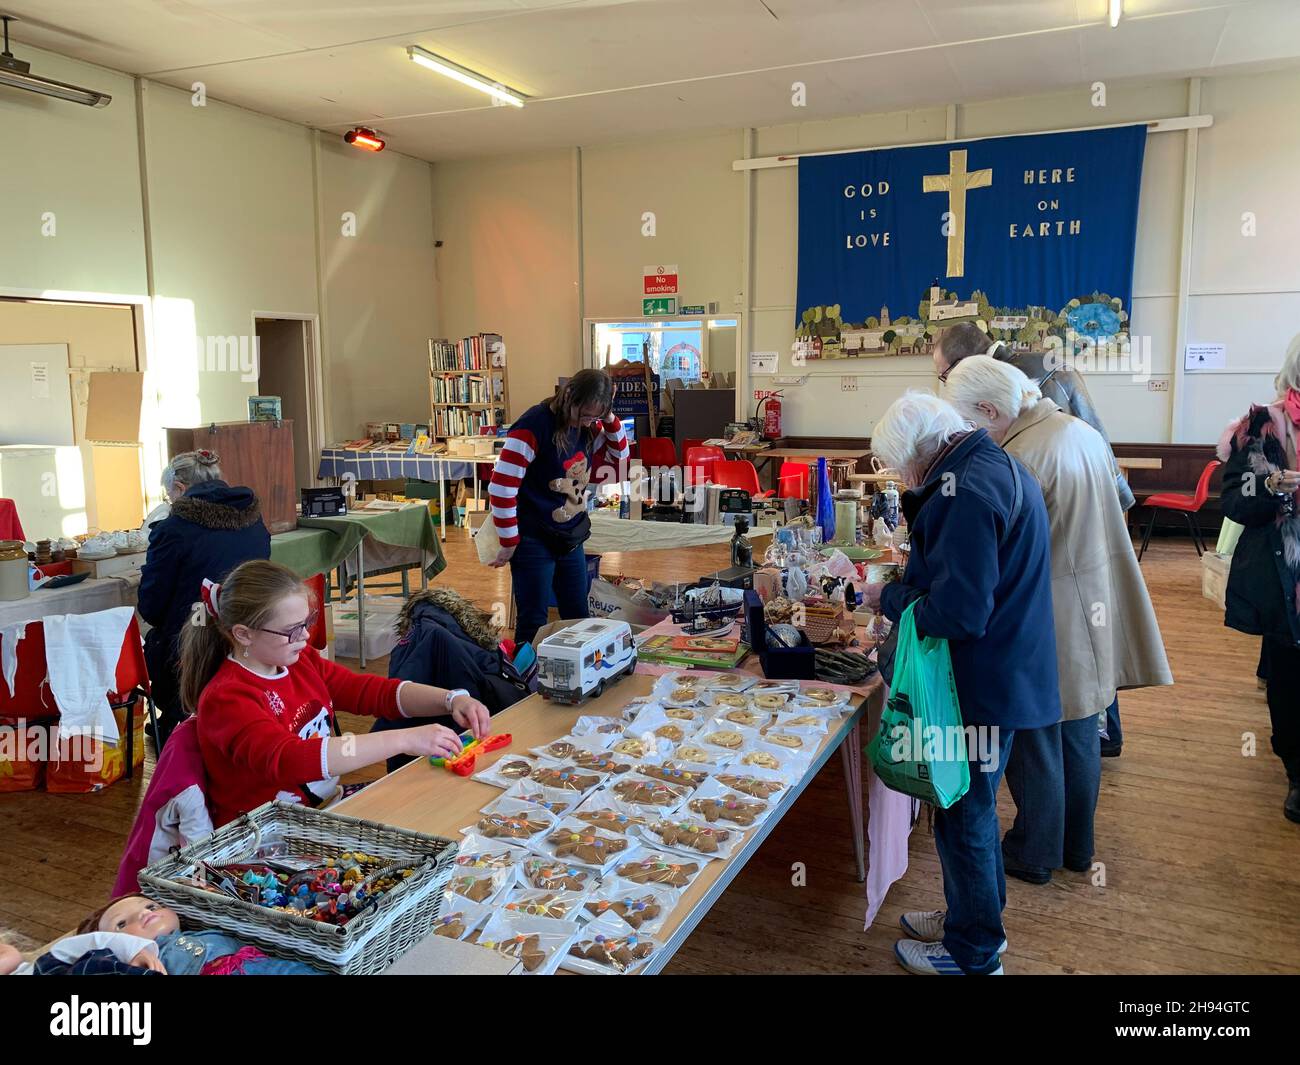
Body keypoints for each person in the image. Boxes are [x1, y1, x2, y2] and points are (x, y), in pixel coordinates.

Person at [945, 356, 1172, 881]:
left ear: (988, 407)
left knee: (1035, 741)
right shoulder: (1077, 430)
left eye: (970, 421)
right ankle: (1075, 847)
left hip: (1046, 615)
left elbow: (998, 556)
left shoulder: (1021, 454)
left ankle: (1033, 852)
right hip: (1091, 604)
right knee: (1078, 732)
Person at [862, 391, 1060, 975]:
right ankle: (971, 923)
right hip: (1005, 672)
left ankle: (973, 953)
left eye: (902, 467)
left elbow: (961, 613)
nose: (904, 478)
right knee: (966, 807)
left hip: (980, 685)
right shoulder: (988, 463)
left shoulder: (966, 489)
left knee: (964, 811)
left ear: (922, 451)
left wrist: (889, 596)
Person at [932, 322, 1132, 755]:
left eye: (945, 376)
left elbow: (1002, 538)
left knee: (1048, 737)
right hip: (1088, 565)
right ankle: (1083, 799)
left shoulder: (1022, 446)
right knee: (1081, 714)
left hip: (1053, 591)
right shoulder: (1063, 408)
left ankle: (1047, 823)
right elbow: (1111, 472)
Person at [179, 559, 491, 829]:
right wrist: (405, 739)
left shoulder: (299, 660)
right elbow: (289, 759)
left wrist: (451, 699)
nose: (304, 636)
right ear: (243, 634)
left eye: (307, 623)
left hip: (319, 812)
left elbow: (368, 691)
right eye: (291, 629)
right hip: (263, 838)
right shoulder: (227, 698)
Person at [1217, 333, 1300, 823]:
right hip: (1284, 572)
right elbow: (1236, 503)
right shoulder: (1264, 425)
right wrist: (1270, 485)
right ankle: (1296, 768)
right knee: (1290, 676)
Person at [487, 369, 630, 648]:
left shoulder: (588, 424)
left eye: (595, 417)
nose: (589, 422)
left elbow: (621, 457)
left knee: (578, 618)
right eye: (585, 415)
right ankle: (525, 686)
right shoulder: (533, 426)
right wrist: (508, 541)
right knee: (533, 622)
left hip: (570, 537)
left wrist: (609, 417)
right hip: (533, 538)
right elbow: (501, 487)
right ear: (568, 397)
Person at [137, 450, 270, 749]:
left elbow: (151, 605)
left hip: (193, 639)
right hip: (249, 629)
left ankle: (177, 719)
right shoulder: (252, 516)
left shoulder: (174, 529)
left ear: (181, 489)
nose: (170, 501)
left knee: (159, 638)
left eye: (169, 494)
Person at [368, 588, 528, 774]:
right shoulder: (436, 635)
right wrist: (402, 739)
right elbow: (380, 695)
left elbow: (381, 692)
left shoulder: (424, 635)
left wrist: (453, 700)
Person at [1, 895, 322, 975]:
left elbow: (86, 943)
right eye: (122, 923)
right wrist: (133, 952)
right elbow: (89, 946)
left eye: (150, 904)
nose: (144, 913)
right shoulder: (148, 954)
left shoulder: (206, 929)